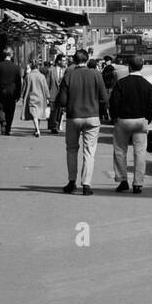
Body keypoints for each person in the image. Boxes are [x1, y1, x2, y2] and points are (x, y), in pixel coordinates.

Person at [55, 47, 109, 194]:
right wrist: (102, 112)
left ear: (74, 60)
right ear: (87, 59)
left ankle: (71, 182)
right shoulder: (96, 74)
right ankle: (86, 184)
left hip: (73, 117)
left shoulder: (69, 75)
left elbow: (62, 100)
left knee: (71, 149)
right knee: (89, 151)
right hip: (92, 117)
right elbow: (104, 98)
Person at [108, 55, 152, 193]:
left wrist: (114, 118)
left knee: (120, 151)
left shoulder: (121, 83)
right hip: (140, 121)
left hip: (123, 121)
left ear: (129, 67)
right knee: (140, 153)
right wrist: (147, 119)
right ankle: (138, 183)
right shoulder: (147, 85)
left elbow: (114, 103)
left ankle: (122, 180)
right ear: (142, 67)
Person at [0, 46, 22, 135]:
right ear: (11, 55)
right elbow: (18, 82)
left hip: (0, 90)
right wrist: (18, 94)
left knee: (0, 108)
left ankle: (2, 120)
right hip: (12, 92)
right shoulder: (16, 67)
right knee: (10, 110)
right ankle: (8, 128)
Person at [22, 59, 50, 137]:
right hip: (41, 97)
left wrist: (22, 96)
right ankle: (37, 128)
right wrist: (48, 97)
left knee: (34, 114)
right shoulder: (42, 76)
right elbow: (45, 88)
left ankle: (37, 129)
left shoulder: (28, 76)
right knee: (38, 114)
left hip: (32, 97)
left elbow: (24, 88)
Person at [47, 54, 65, 133]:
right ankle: (52, 127)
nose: (65, 62)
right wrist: (47, 96)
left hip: (62, 95)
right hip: (53, 94)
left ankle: (57, 125)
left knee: (60, 111)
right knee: (53, 111)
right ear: (59, 61)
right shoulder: (51, 70)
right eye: (63, 60)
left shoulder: (65, 71)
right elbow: (47, 83)